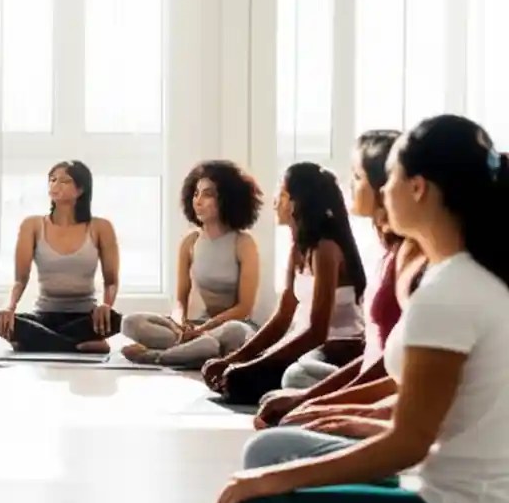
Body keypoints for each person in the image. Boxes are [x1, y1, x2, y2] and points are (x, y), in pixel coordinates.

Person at [216, 115, 509, 503]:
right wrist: (350, 417)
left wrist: (274, 481)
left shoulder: (450, 291)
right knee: (271, 485)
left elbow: (409, 443)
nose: (382, 190)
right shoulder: (474, 277)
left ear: (417, 188)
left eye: (390, 177)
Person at [254, 130, 428, 429]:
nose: (349, 185)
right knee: (284, 390)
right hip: (367, 378)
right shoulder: (387, 255)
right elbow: (378, 354)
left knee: (289, 389)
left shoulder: (409, 260)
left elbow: (394, 370)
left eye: (357, 177)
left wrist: (318, 404)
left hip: (386, 401)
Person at [201, 162, 367, 405]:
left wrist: (253, 364)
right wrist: (233, 360)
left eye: (282, 194)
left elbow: (317, 332)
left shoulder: (326, 249)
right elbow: (283, 316)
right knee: (231, 376)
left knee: (245, 380)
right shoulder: (297, 252)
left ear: (297, 202)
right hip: (303, 347)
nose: (275, 202)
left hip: (330, 353)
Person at [120, 161, 262, 367]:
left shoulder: (243, 243)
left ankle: (156, 356)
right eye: (196, 194)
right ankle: (189, 349)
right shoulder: (190, 242)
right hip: (197, 326)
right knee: (130, 322)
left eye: (208, 194)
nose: (198, 201)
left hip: (230, 326)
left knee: (231, 335)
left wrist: (205, 329)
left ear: (227, 199)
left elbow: (244, 307)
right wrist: (180, 324)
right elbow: (180, 300)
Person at [0, 161, 123, 354]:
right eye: (52, 180)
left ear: (80, 190)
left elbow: (111, 281)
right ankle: (77, 345)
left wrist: (106, 305)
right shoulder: (32, 225)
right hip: (44, 315)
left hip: (85, 316)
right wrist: (9, 307)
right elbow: (20, 279)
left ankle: (36, 342)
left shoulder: (101, 227)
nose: (55, 185)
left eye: (64, 181)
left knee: (115, 320)